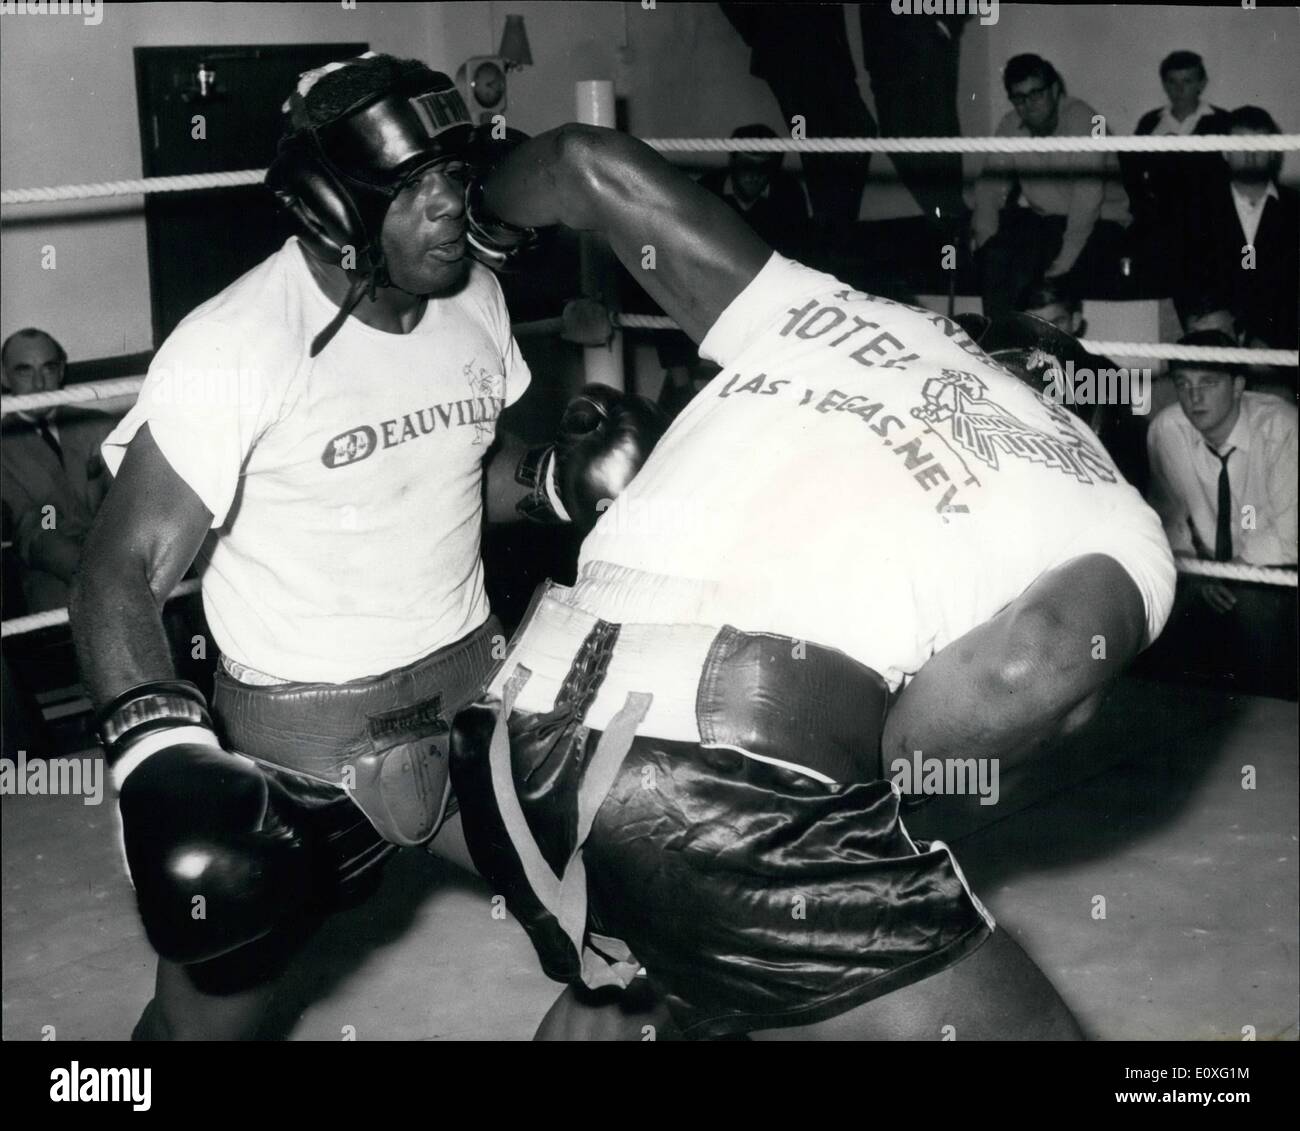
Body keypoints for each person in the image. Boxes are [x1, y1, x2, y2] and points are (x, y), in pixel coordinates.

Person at [446, 123, 1177, 1040]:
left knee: (656, 977)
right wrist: (874, 775)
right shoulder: (1108, 500)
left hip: (511, 733)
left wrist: (467, 223)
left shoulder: (839, 314)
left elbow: (582, 165)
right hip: (734, 782)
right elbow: (1030, 664)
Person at [69, 54, 662, 1041]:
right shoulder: (238, 343)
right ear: (333, 208)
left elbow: (462, 468)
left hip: (479, 700)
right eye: (413, 188)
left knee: (649, 943)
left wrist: (554, 480)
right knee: (197, 1031)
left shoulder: (473, 298)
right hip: (304, 757)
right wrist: (159, 752)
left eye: (455, 178)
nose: (449, 209)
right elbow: (116, 571)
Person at [1144, 332, 1297, 697]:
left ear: (1238, 385)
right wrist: (1195, 571)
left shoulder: (1282, 428)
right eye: (1184, 384)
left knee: (1258, 612)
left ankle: (1265, 720)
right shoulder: (1168, 430)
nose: (1193, 398)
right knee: (1153, 608)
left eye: (1208, 383)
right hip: (1205, 567)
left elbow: (1291, 536)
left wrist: (1229, 574)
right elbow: (1169, 521)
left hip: (1275, 564)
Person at [973, 55, 1131, 318]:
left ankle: (1020, 344)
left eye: (1036, 94)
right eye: (1019, 98)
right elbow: (988, 190)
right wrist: (986, 248)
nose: (1028, 105)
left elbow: (1087, 199)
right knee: (998, 253)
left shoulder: (1088, 121)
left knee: (1029, 260)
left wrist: (1063, 264)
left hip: (1104, 222)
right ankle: (997, 346)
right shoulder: (1010, 124)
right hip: (1048, 222)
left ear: (1055, 90)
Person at [1, 329, 116, 614]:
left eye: (48, 368)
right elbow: (33, 526)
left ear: (61, 370)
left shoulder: (98, 424)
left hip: (119, 550)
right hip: (50, 568)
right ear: (4, 377)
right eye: (25, 371)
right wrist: (101, 579)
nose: (40, 384)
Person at [1182, 106, 1299, 351]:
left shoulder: (1295, 208)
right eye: (1242, 144)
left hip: (1283, 347)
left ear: (1274, 152)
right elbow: (1188, 277)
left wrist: (1263, 336)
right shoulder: (1196, 209)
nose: (1251, 154)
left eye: (1260, 145)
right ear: (1225, 151)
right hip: (1216, 343)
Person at [1121, 51, 1229, 307]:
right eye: (1172, 82)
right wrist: (1143, 209)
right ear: (1164, 84)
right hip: (1161, 221)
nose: (1179, 89)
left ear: (1202, 83)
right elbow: (1131, 173)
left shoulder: (1221, 121)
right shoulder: (1151, 123)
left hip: (1209, 222)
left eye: (1188, 81)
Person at [698, 125, 810, 250]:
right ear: (732, 161)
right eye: (747, 165)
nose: (754, 175)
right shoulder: (706, 190)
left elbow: (799, 250)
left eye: (764, 167)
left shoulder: (789, 194)